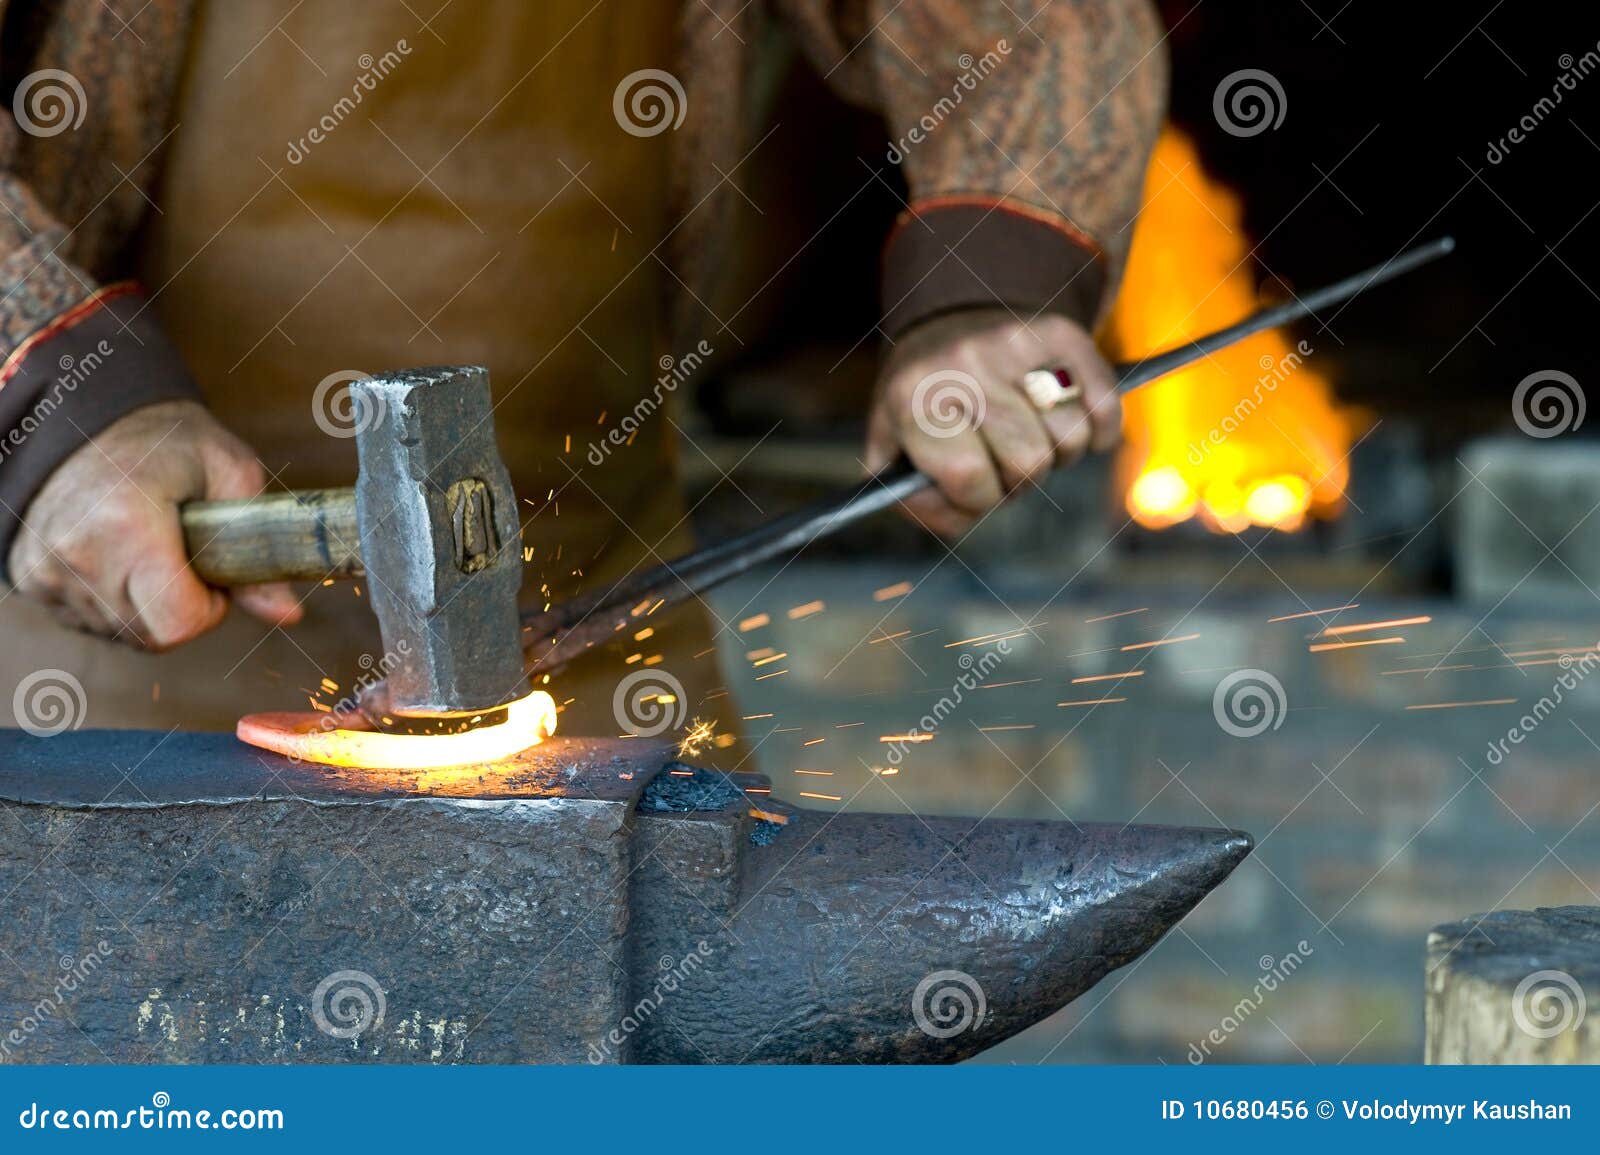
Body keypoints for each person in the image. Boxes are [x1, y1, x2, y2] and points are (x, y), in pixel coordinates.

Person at [0, 1, 1163, 742]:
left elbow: (1033, 28)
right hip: (125, 660)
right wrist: (49, 397)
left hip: (591, 629)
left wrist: (987, 284)